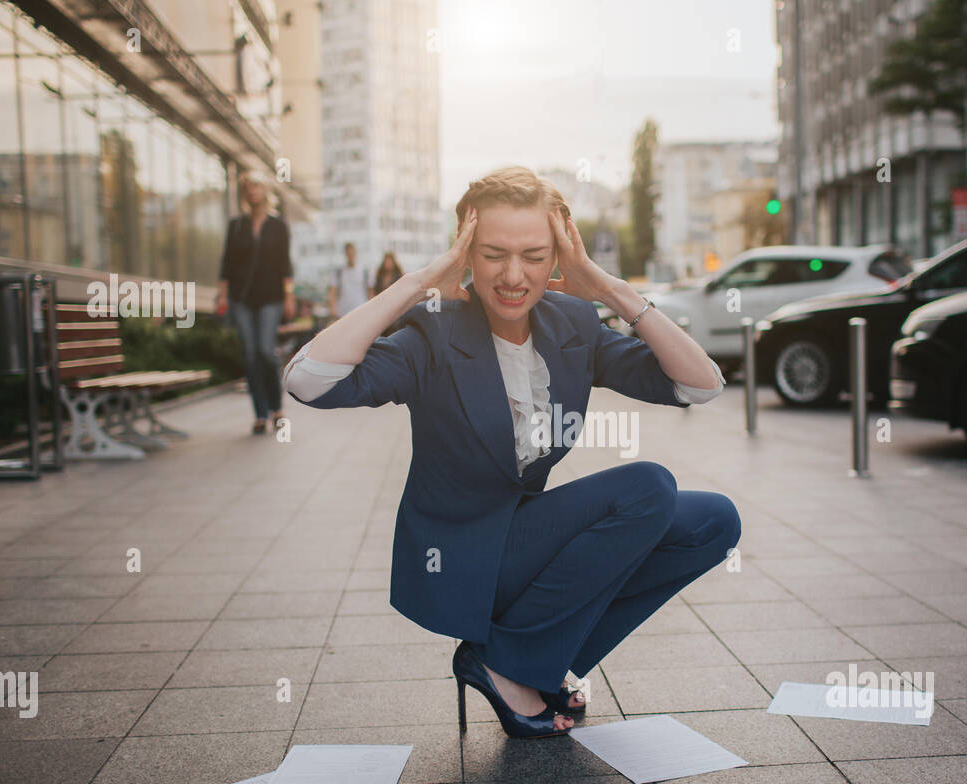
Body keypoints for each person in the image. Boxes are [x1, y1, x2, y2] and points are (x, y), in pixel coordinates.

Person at [283, 166, 738, 739]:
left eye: (534, 255)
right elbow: (309, 382)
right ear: (465, 251)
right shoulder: (434, 332)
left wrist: (608, 289)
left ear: (558, 257)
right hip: (460, 555)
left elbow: (700, 385)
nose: (514, 276)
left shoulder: (572, 322)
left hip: (524, 540)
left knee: (713, 521)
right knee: (646, 488)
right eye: (493, 254)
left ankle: (530, 660)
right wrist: (419, 280)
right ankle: (510, 667)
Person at [216, 169, 295, 434]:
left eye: (256, 187)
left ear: (265, 191)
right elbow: (227, 262)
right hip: (242, 299)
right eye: (248, 188)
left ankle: (278, 408)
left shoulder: (278, 225)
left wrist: (289, 296)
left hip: (271, 297)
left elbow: (285, 265)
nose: (252, 192)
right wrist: (223, 294)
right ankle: (260, 414)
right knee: (250, 356)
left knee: (265, 351)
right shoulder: (236, 225)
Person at [328, 242, 369, 325]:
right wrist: (333, 310)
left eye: (352, 253)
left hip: (361, 311)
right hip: (343, 313)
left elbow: (370, 292)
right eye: (348, 253)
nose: (350, 255)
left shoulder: (364, 272)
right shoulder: (339, 272)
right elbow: (332, 292)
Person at [374, 251, 407, 335]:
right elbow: (376, 291)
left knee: (394, 331)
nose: (388, 263)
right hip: (382, 309)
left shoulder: (398, 276)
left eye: (390, 261)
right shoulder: (380, 276)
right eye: (386, 261)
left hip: (395, 309)